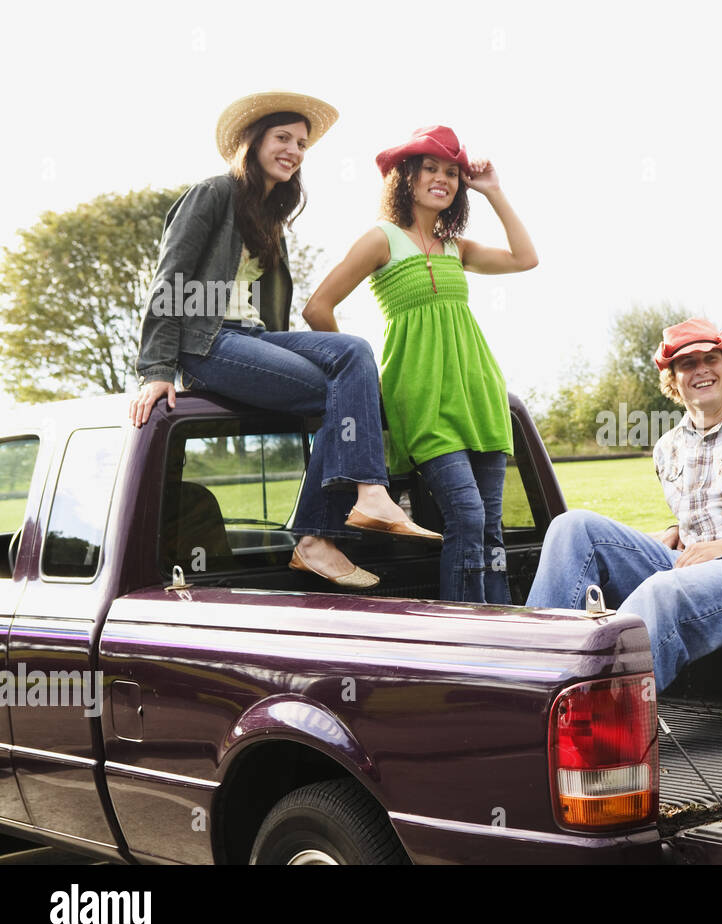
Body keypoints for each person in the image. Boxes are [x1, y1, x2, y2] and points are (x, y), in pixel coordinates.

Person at [132, 91, 439, 590]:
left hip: (252, 336)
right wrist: (157, 369)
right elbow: (171, 278)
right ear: (252, 143)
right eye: (283, 138)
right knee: (344, 397)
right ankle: (324, 531)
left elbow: (268, 311)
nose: (294, 151)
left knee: (353, 351)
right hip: (207, 342)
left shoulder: (268, 215)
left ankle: (366, 499)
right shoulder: (213, 194)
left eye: (301, 143)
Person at [304, 126, 537, 604]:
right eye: (430, 168)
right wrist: (358, 380)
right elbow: (317, 308)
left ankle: (500, 631)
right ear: (405, 177)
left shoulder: (458, 246)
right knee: (467, 517)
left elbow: (525, 257)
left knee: (490, 527)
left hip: (480, 394)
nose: (442, 179)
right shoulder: (381, 239)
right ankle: (459, 634)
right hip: (422, 399)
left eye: (451, 172)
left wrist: (492, 190)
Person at [527, 318, 722, 690]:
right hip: (688, 566)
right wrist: (675, 528)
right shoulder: (668, 447)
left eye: (710, 358)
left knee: (662, 590)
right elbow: (705, 511)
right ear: (673, 380)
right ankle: (536, 677)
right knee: (572, 526)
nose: (701, 370)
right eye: (687, 364)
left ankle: (597, 717)